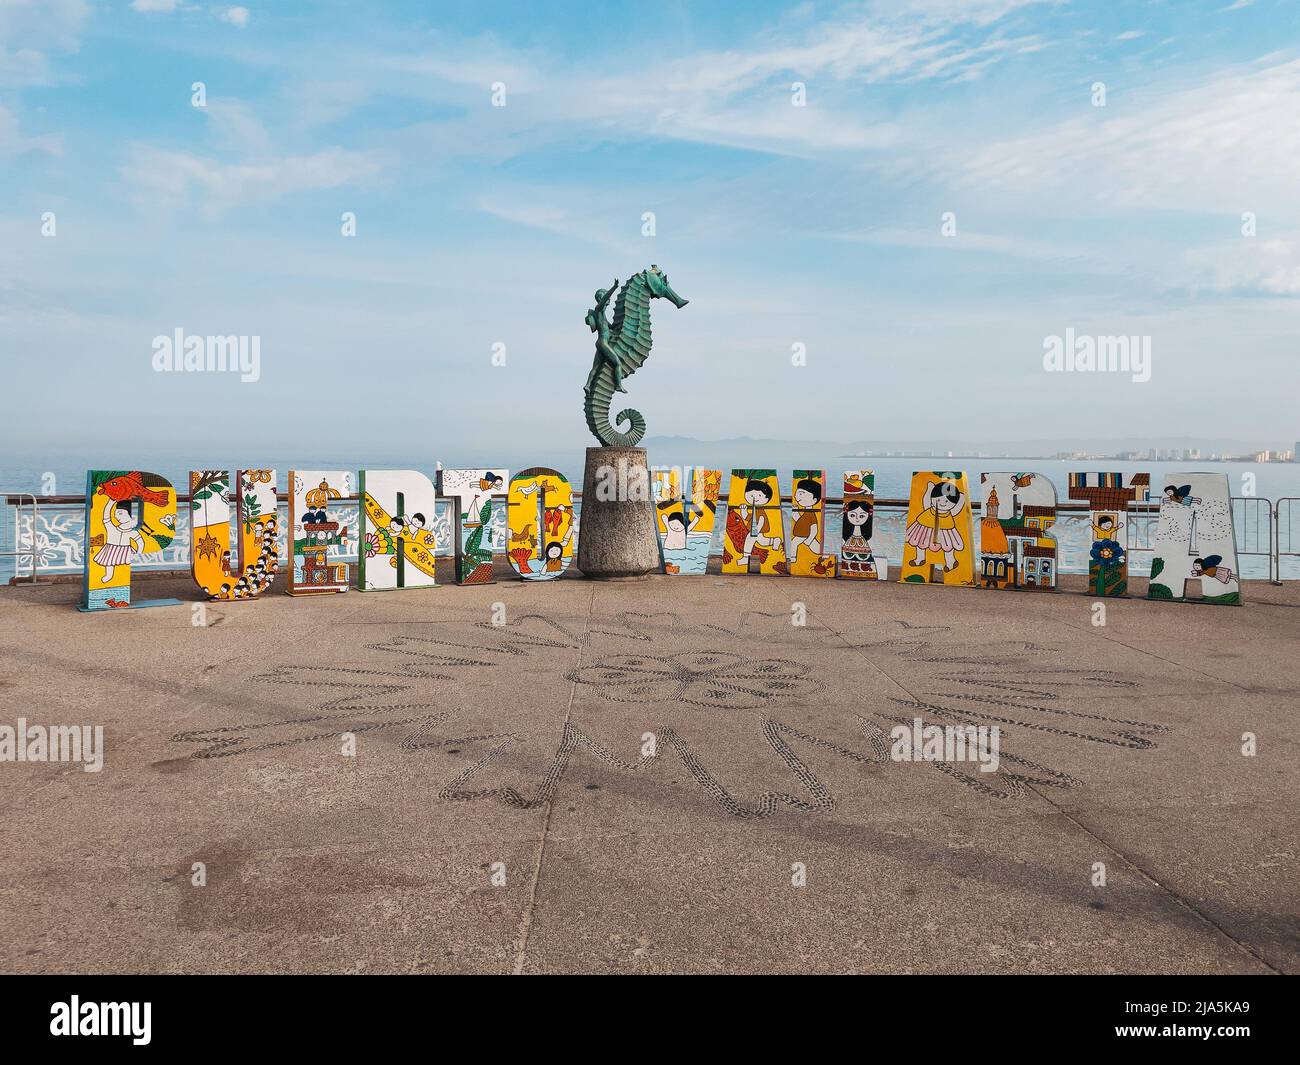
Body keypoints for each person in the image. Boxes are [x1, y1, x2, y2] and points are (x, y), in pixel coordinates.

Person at [585, 280, 626, 393]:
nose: (609, 300)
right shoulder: (598, 310)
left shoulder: (602, 316)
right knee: (617, 363)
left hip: (601, 343)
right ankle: (618, 385)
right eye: (607, 298)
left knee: (596, 367)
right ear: (602, 298)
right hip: (603, 342)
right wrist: (614, 287)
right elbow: (604, 299)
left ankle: (588, 385)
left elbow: (611, 327)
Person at [95, 498, 144, 583]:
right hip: (111, 549)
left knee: (124, 566)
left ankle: (120, 580)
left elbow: (140, 542)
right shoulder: (111, 528)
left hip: (124, 550)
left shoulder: (131, 531)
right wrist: (110, 503)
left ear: (129, 514)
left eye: (120, 513)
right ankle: (109, 575)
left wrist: (138, 552)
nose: (117, 517)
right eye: (116, 514)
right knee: (109, 562)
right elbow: (106, 517)